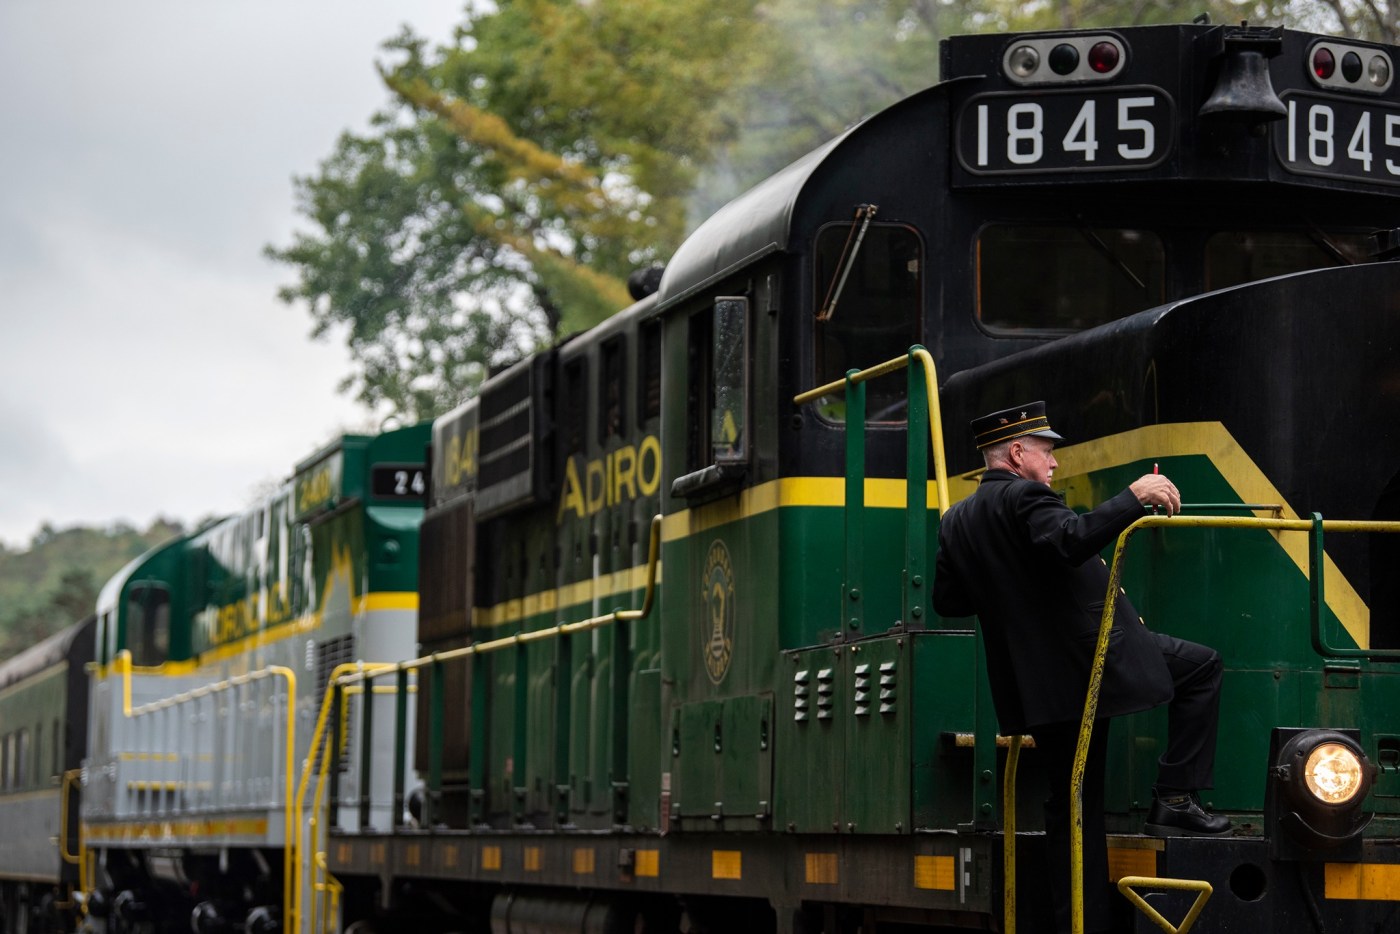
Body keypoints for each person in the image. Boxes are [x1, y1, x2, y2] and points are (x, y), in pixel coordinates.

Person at [931, 401, 1229, 934]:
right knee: (1202, 667)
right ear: (1018, 453)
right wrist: (1133, 498)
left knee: (1071, 802)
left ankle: (1079, 920)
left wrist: (1012, 593)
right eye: (1047, 451)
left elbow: (949, 600)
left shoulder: (958, 519)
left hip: (1034, 685)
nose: (1054, 464)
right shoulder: (1026, 496)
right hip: (1085, 662)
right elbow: (1070, 541)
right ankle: (1176, 797)